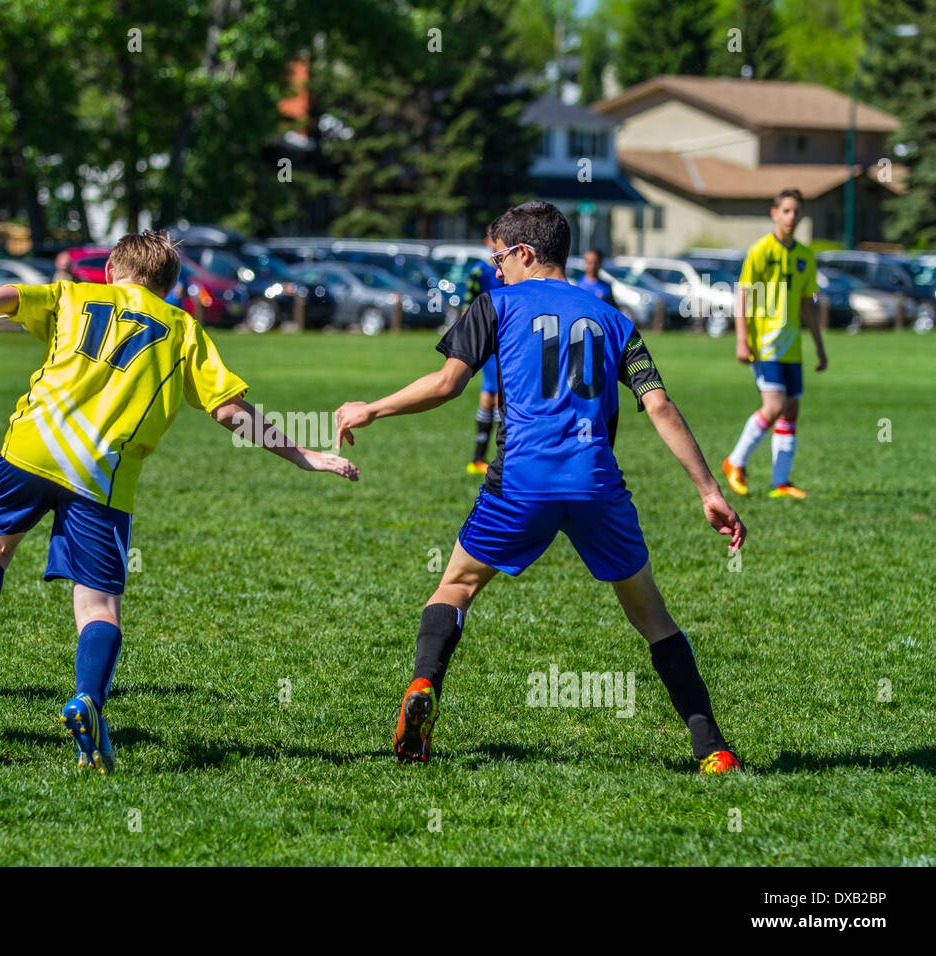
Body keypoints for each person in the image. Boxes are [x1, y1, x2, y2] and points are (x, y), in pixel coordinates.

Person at [0, 230, 359, 773]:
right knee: (98, 605)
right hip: (102, 475)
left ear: (110, 270)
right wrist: (303, 455)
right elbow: (230, 413)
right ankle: (86, 699)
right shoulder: (184, 329)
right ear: (170, 285)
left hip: (30, 447)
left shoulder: (74, 295)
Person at [333, 201, 746, 775]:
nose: (496, 269)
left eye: (499, 257)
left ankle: (424, 682)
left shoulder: (496, 305)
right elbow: (659, 405)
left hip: (521, 482)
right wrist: (708, 489)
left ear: (525, 253)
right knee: (654, 618)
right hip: (596, 483)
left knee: (455, 586)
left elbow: (448, 384)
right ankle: (713, 750)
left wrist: (372, 408)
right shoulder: (611, 317)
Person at [722, 188, 826, 499]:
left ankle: (780, 483)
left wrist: (819, 345)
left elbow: (808, 302)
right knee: (775, 406)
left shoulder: (806, 256)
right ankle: (735, 462)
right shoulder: (761, 251)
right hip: (764, 343)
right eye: (786, 211)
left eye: (796, 211)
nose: (791, 217)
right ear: (774, 214)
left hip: (792, 345)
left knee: (791, 410)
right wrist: (742, 340)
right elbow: (744, 295)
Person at [464, 234, 503, 474]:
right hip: (488, 339)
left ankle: (479, 458)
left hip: (503, 338)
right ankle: (496, 458)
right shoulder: (480, 271)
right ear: (488, 242)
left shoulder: (509, 269)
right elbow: (468, 303)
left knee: (489, 395)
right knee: (498, 394)